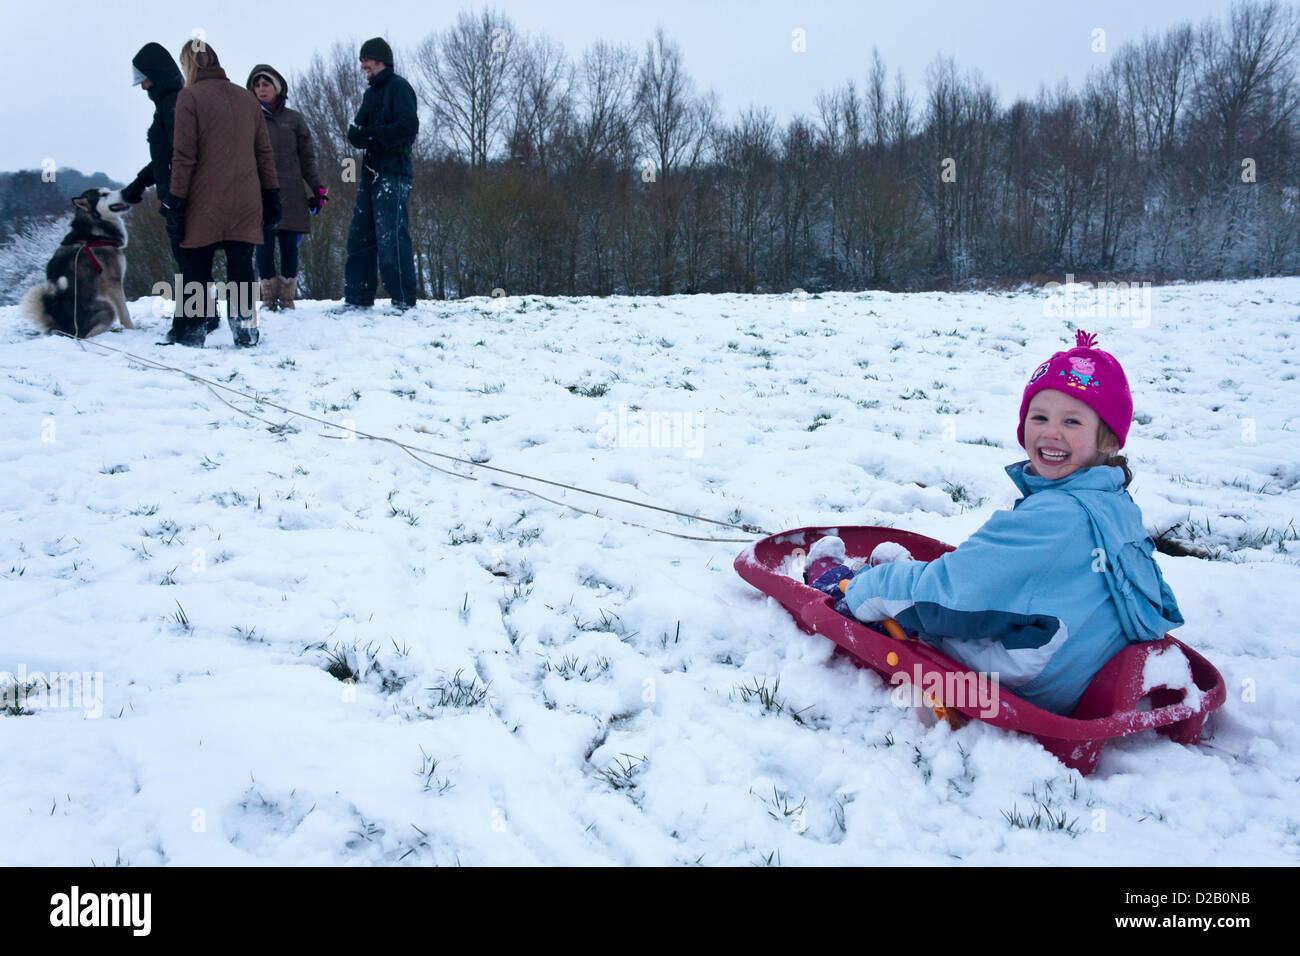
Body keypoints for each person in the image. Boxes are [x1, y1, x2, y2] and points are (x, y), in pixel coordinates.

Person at [805, 330, 1184, 716]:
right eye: (1039, 417)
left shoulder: (1052, 519)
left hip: (1025, 679)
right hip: (1075, 662)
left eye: (1072, 421)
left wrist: (862, 594)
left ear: (1107, 441)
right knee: (955, 587)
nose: (1050, 432)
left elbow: (951, 595)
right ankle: (895, 577)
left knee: (918, 605)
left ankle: (856, 584)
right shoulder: (1113, 502)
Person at [167, 40, 280, 347]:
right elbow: (264, 154)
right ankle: (246, 330)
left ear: (189, 64)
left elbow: (184, 157)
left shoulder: (188, 97)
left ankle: (192, 332)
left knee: (195, 267)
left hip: (204, 202)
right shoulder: (246, 99)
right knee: (241, 267)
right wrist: (272, 196)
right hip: (246, 199)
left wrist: (176, 203)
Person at [340, 37, 419, 312]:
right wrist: (357, 135)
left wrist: (372, 135)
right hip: (371, 171)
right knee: (360, 234)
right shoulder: (370, 93)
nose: (363, 65)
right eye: (362, 60)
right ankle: (357, 297)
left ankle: (402, 299)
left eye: (367, 59)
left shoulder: (399, 87)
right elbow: (359, 127)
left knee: (391, 235)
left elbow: (408, 127)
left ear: (381, 60)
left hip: (394, 171)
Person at [246, 64, 327, 312]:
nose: (261, 89)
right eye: (257, 85)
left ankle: (288, 298)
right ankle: (269, 298)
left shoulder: (294, 119)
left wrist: (317, 188)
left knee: (290, 246)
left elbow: (307, 158)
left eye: (266, 84)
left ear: (277, 87)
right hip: (259, 193)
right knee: (264, 245)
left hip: (292, 192)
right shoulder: (247, 118)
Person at [119, 44, 188, 287]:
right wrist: (139, 184)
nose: (143, 87)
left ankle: (194, 319)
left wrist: (175, 198)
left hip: (181, 198)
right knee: (187, 260)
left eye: (144, 79)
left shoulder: (174, 107)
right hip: (177, 196)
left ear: (156, 76)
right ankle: (200, 316)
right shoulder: (168, 106)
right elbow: (163, 158)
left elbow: (181, 155)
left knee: (188, 260)